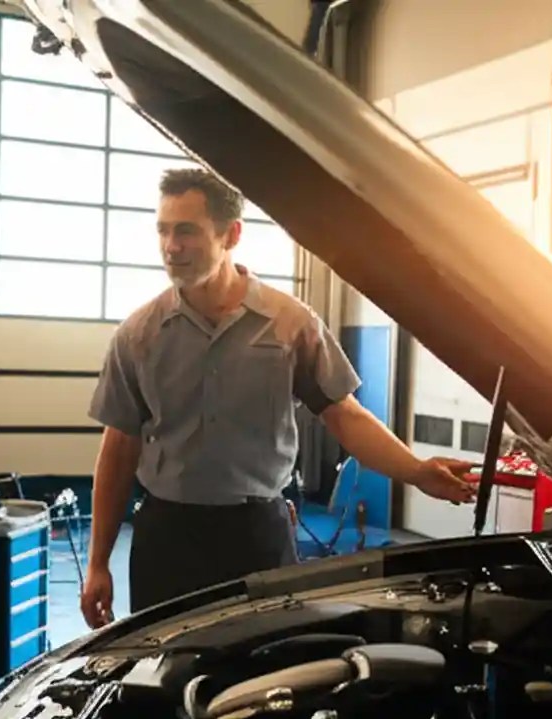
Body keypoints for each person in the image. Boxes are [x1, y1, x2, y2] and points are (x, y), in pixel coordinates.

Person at [81, 168, 476, 627]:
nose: (171, 247)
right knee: (165, 674)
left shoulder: (290, 325)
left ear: (231, 234)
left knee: (267, 668)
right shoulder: (139, 335)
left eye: (186, 231)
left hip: (257, 535)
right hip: (167, 536)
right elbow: (118, 448)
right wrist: (97, 563)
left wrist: (416, 470)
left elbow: (345, 415)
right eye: (163, 231)